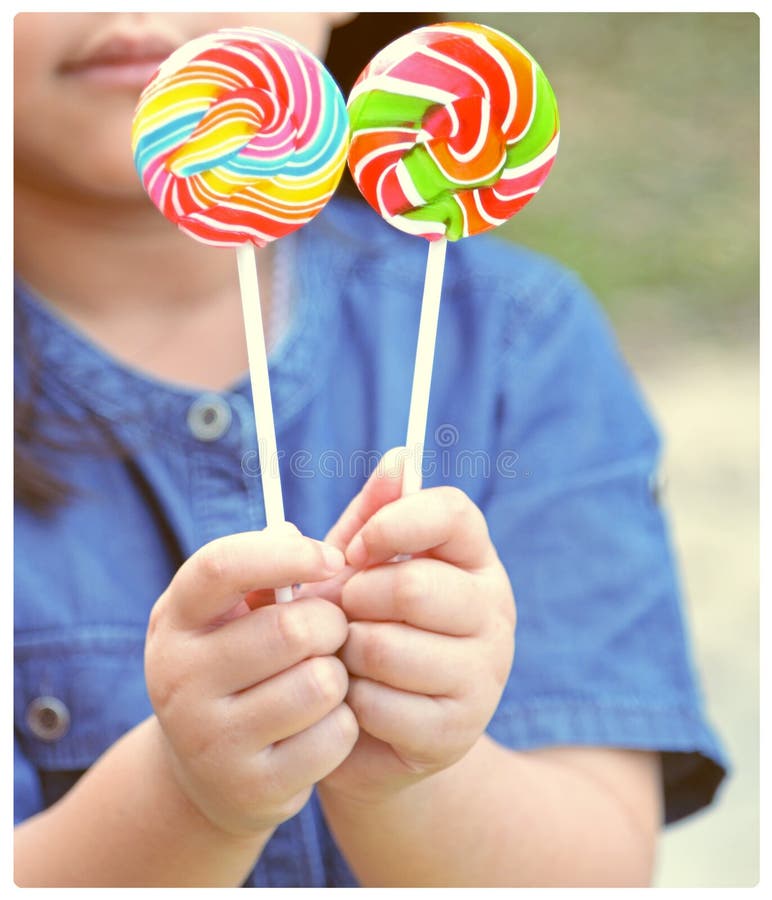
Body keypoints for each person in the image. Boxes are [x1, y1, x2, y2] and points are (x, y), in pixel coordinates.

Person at [13, 11, 727, 888]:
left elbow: (600, 865)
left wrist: (412, 776)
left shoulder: (519, 345)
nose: (138, 10)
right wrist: (188, 793)